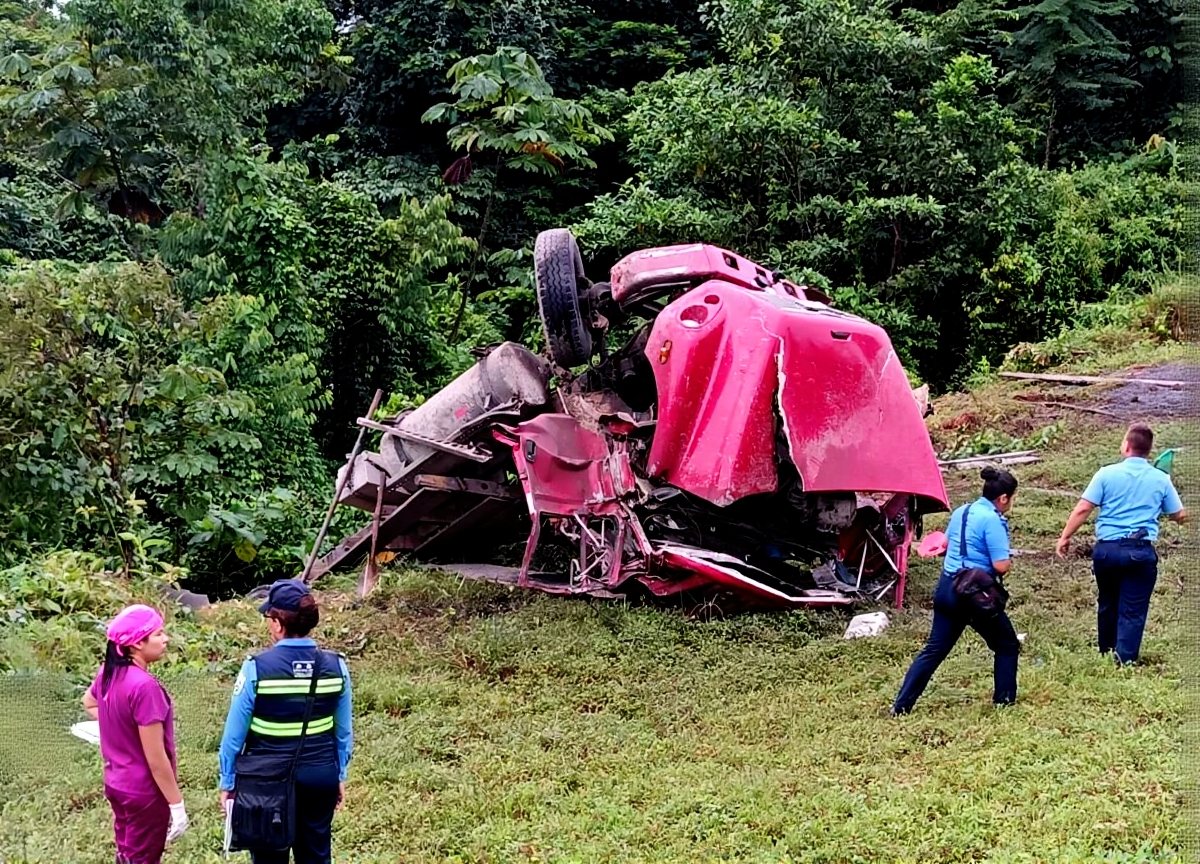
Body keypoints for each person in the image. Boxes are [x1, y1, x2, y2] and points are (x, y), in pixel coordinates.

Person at [218, 579, 353, 864]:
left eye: (269, 617)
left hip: (265, 781)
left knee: (268, 856)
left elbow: (233, 736)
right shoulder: (337, 666)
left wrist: (228, 781)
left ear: (279, 623)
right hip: (320, 775)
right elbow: (342, 732)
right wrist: (338, 775)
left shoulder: (256, 667)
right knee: (316, 855)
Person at [892, 467, 1022, 715]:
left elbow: (946, 544)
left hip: (947, 588)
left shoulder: (963, 511)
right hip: (975, 596)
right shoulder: (993, 520)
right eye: (1012, 498)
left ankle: (901, 706)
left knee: (933, 650)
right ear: (1003, 498)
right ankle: (1004, 703)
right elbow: (1001, 566)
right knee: (1006, 645)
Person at [1056, 423, 1188, 664]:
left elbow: (1084, 508)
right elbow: (1178, 515)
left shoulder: (1105, 474)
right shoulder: (1161, 479)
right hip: (1139, 552)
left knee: (1108, 601)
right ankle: (1124, 659)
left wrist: (1065, 537)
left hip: (1106, 551)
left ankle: (1106, 650)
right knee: (1133, 608)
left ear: (1127, 446)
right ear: (1148, 451)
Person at [82, 604, 188, 864]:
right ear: (137, 643)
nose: (166, 639)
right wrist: (177, 804)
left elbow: (90, 702)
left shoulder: (109, 672)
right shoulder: (144, 687)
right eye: (158, 634)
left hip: (117, 783)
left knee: (127, 852)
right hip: (144, 793)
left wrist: (118, 726)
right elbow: (156, 758)